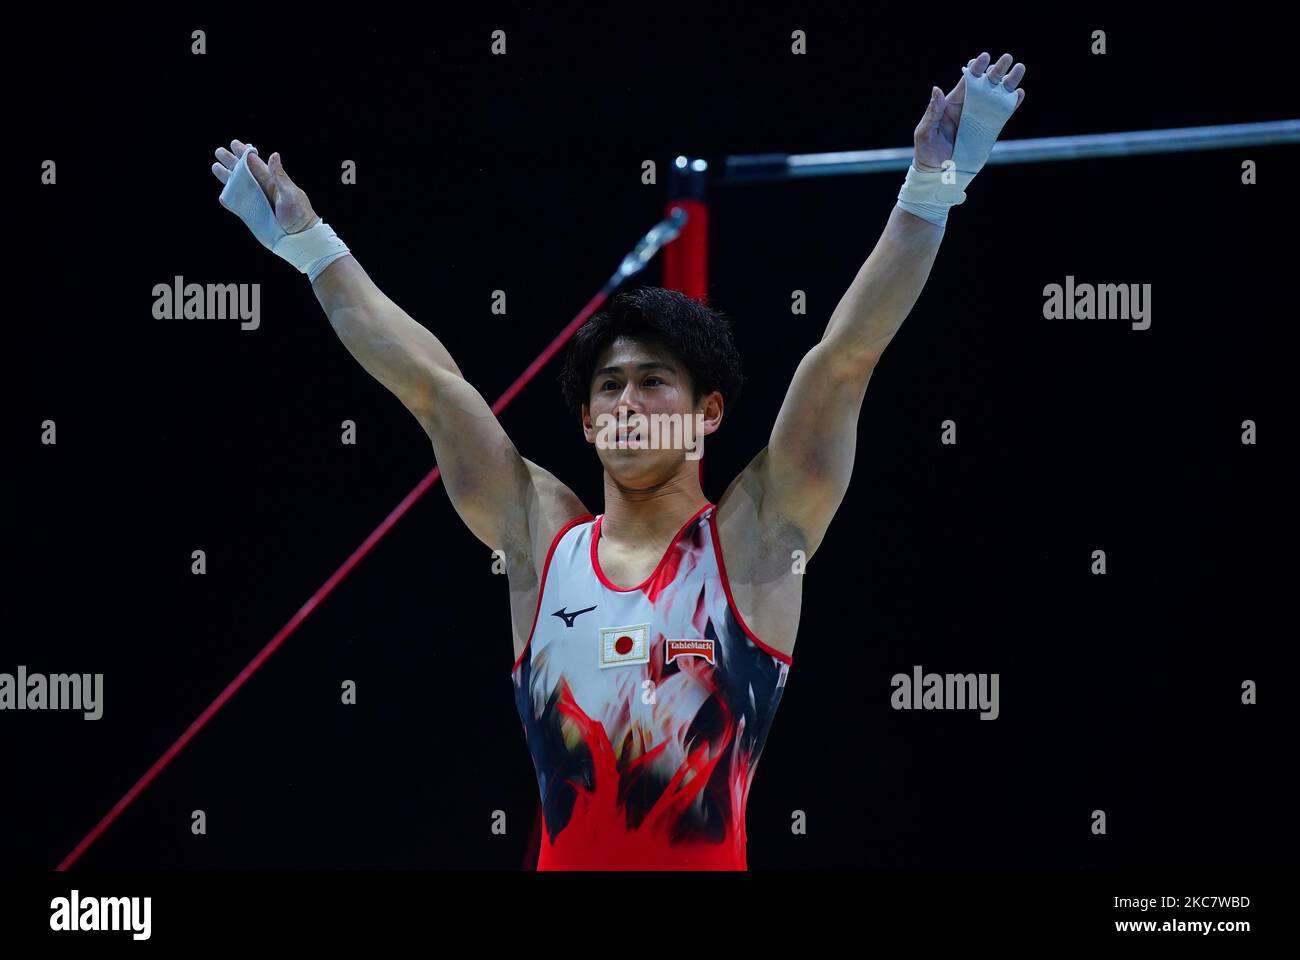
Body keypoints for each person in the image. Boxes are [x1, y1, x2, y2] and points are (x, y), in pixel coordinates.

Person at [209, 51, 1025, 870]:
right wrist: (314, 248)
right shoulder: (539, 534)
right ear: (589, 421)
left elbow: (847, 355)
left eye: (652, 382)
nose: (625, 403)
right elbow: (427, 385)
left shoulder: (756, 536)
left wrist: (931, 184)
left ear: (708, 414)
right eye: (608, 388)